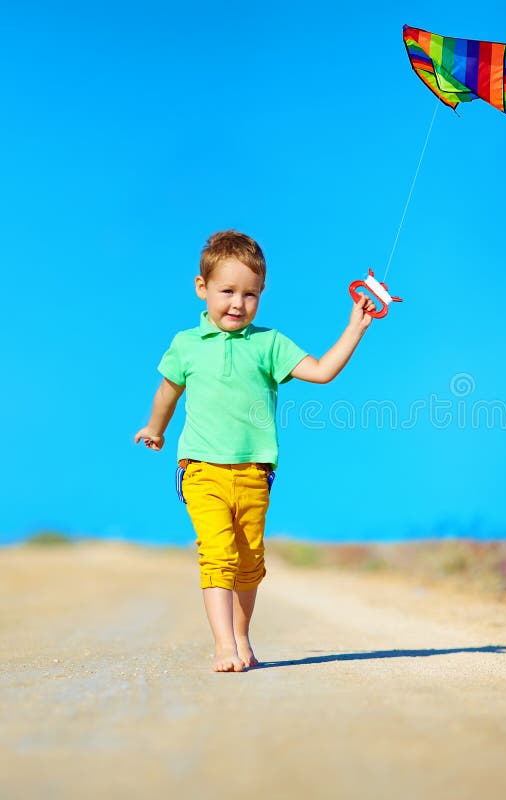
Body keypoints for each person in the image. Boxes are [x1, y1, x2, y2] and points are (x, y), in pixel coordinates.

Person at [134, 230, 375, 672]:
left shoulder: (269, 344)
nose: (237, 304)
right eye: (227, 291)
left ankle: (242, 635)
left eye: (250, 294)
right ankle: (223, 645)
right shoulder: (186, 344)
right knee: (218, 554)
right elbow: (168, 391)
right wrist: (155, 427)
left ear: (261, 295)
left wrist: (355, 327)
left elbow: (321, 372)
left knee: (249, 562)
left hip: (253, 472)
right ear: (201, 288)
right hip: (202, 469)